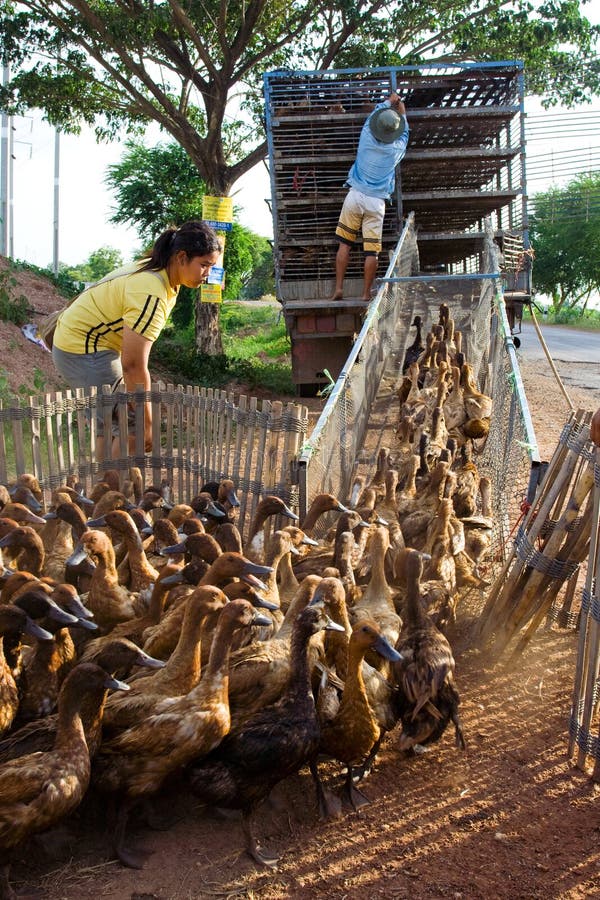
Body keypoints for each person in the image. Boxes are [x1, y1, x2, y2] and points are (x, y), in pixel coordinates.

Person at [52, 220, 222, 458]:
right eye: (204, 265)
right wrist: (148, 423)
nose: (208, 274)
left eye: (211, 267)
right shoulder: (151, 289)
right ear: (181, 257)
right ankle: (112, 491)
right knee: (132, 426)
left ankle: (105, 488)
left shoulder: (160, 274)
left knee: (112, 424)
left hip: (79, 342)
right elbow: (132, 365)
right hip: (84, 348)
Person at [331, 91, 409, 301]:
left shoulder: (366, 136)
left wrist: (389, 101)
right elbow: (405, 132)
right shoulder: (395, 150)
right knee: (371, 252)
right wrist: (401, 110)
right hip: (377, 202)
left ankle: (339, 288)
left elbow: (374, 114)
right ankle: (366, 293)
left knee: (344, 244)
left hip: (355, 196)